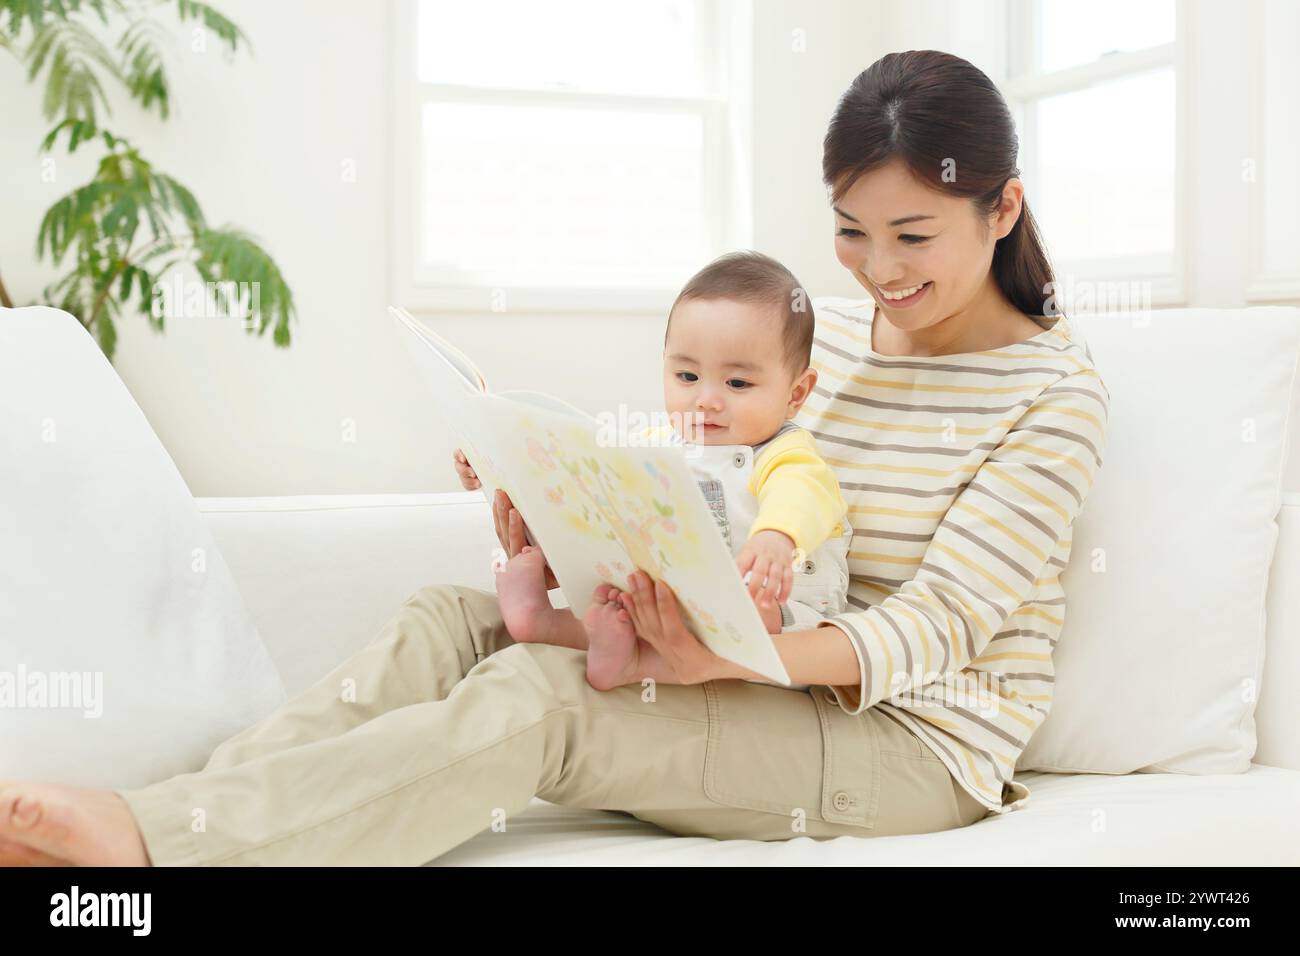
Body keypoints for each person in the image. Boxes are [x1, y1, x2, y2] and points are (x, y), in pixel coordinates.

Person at [0, 50, 1108, 866]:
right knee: (449, 617)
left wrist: (727, 662)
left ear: (1001, 206)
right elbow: (705, 482)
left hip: (904, 746)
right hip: (761, 650)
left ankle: (153, 848)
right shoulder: (821, 338)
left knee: (542, 697)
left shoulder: (1053, 397)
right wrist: (564, 507)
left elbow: (938, 628)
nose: (878, 269)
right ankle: (177, 799)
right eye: (851, 231)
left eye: (912, 236)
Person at [492, 249, 855, 694]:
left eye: (737, 383)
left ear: (797, 393)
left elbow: (803, 493)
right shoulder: (655, 443)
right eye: (686, 376)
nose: (706, 399)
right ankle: (543, 622)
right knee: (624, 609)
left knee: (759, 621)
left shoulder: (783, 451)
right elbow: (584, 476)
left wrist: (777, 536)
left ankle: (631, 665)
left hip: (788, 617)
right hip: (682, 606)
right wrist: (503, 473)